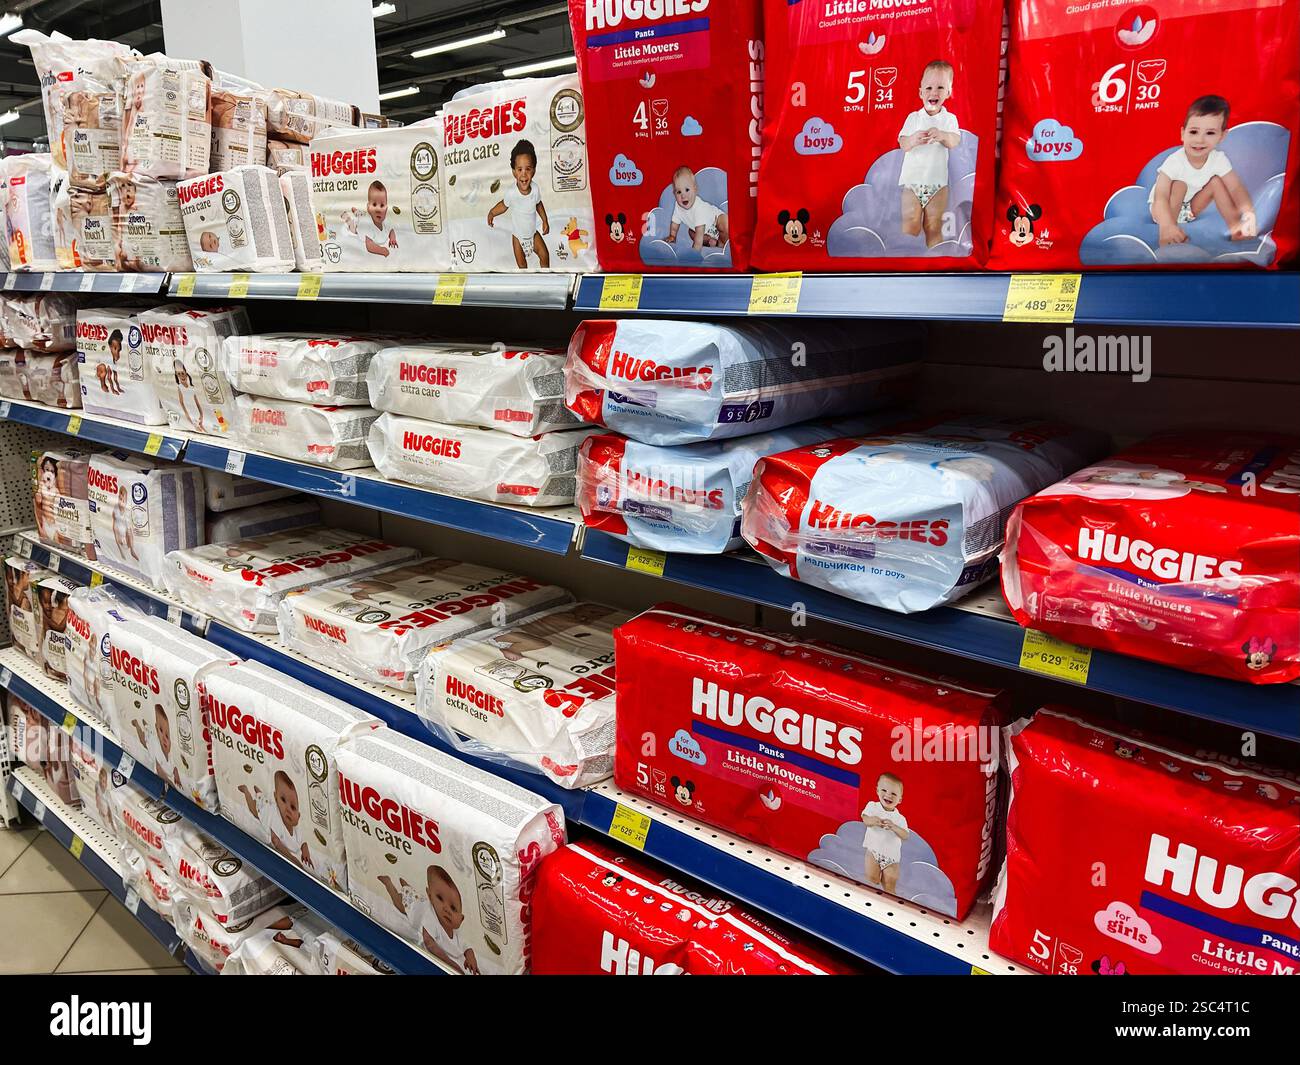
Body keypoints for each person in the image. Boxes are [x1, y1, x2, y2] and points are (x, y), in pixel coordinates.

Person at [1149, 94, 1257, 246]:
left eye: (1210, 133)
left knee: (1216, 182)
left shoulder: (1218, 159)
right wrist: (1166, 224)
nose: (1200, 140)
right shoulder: (1174, 161)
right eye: (1193, 132)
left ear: (1222, 136)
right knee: (1180, 185)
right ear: (1182, 133)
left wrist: (1248, 214)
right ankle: (1169, 235)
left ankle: (1236, 229)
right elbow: (1160, 196)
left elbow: (1235, 187)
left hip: (1188, 209)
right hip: (1162, 211)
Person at [898, 60, 961, 248]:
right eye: (929, 88)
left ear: (948, 92)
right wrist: (912, 140)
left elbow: (954, 141)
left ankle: (935, 257)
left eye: (940, 87)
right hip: (912, 181)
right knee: (910, 221)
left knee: (934, 224)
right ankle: (906, 256)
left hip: (937, 183)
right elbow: (902, 142)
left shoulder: (949, 119)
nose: (934, 92)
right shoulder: (914, 118)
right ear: (920, 92)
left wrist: (942, 135)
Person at [488, 140, 550, 269]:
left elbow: (538, 204)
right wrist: (492, 213)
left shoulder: (535, 189)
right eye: (519, 169)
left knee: (544, 255)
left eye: (528, 169)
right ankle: (528, 283)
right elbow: (503, 205)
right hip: (518, 236)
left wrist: (545, 220)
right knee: (522, 265)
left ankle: (546, 279)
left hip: (533, 233)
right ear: (514, 172)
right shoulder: (512, 193)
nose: (524, 174)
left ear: (534, 170)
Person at [666, 165, 727, 251]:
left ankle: (725, 241)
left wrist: (695, 251)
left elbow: (699, 233)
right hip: (706, 233)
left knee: (725, 223)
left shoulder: (698, 207)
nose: (683, 195)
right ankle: (716, 242)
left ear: (695, 189)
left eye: (687, 190)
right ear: (674, 194)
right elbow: (674, 224)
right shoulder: (678, 206)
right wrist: (672, 236)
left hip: (715, 222)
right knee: (691, 233)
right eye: (679, 192)